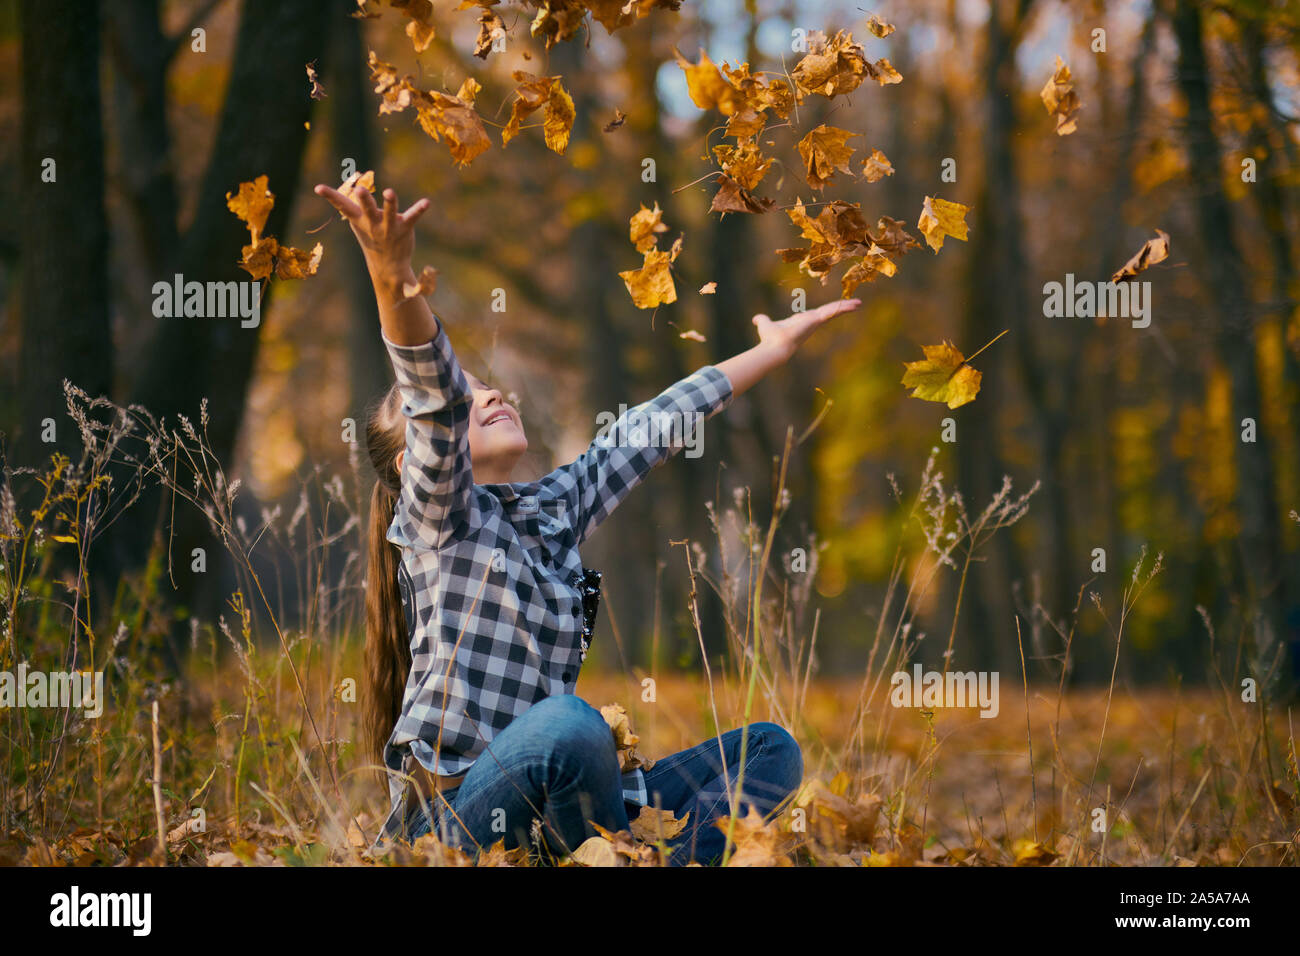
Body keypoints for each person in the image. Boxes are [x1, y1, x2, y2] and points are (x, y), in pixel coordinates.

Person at [315, 180, 861, 865]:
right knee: (571, 726)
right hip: (462, 823)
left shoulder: (549, 511)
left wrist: (770, 352)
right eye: (463, 396)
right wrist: (392, 273)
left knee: (770, 750)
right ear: (416, 462)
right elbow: (431, 398)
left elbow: (646, 429)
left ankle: (648, 860)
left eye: (483, 385)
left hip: (559, 806)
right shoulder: (435, 524)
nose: (485, 394)